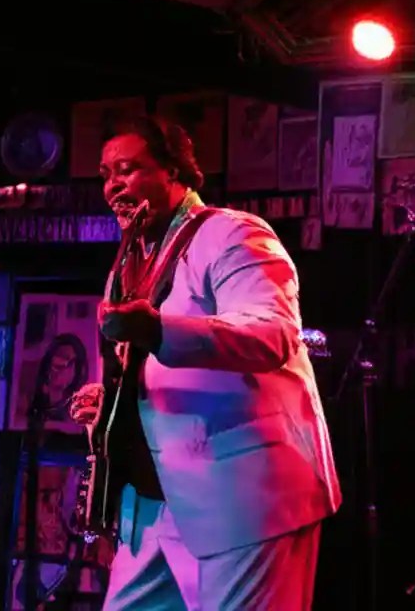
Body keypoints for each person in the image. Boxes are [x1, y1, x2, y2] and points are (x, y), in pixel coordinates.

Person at [70, 114, 341, 610]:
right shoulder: (128, 264)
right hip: (151, 505)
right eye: (106, 175)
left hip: (243, 501)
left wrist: (157, 330)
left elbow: (273, 333)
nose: (113, 186)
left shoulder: (232, 233)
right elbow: (150, 371)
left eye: (127, 170)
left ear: (173, 170)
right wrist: (109, 401)